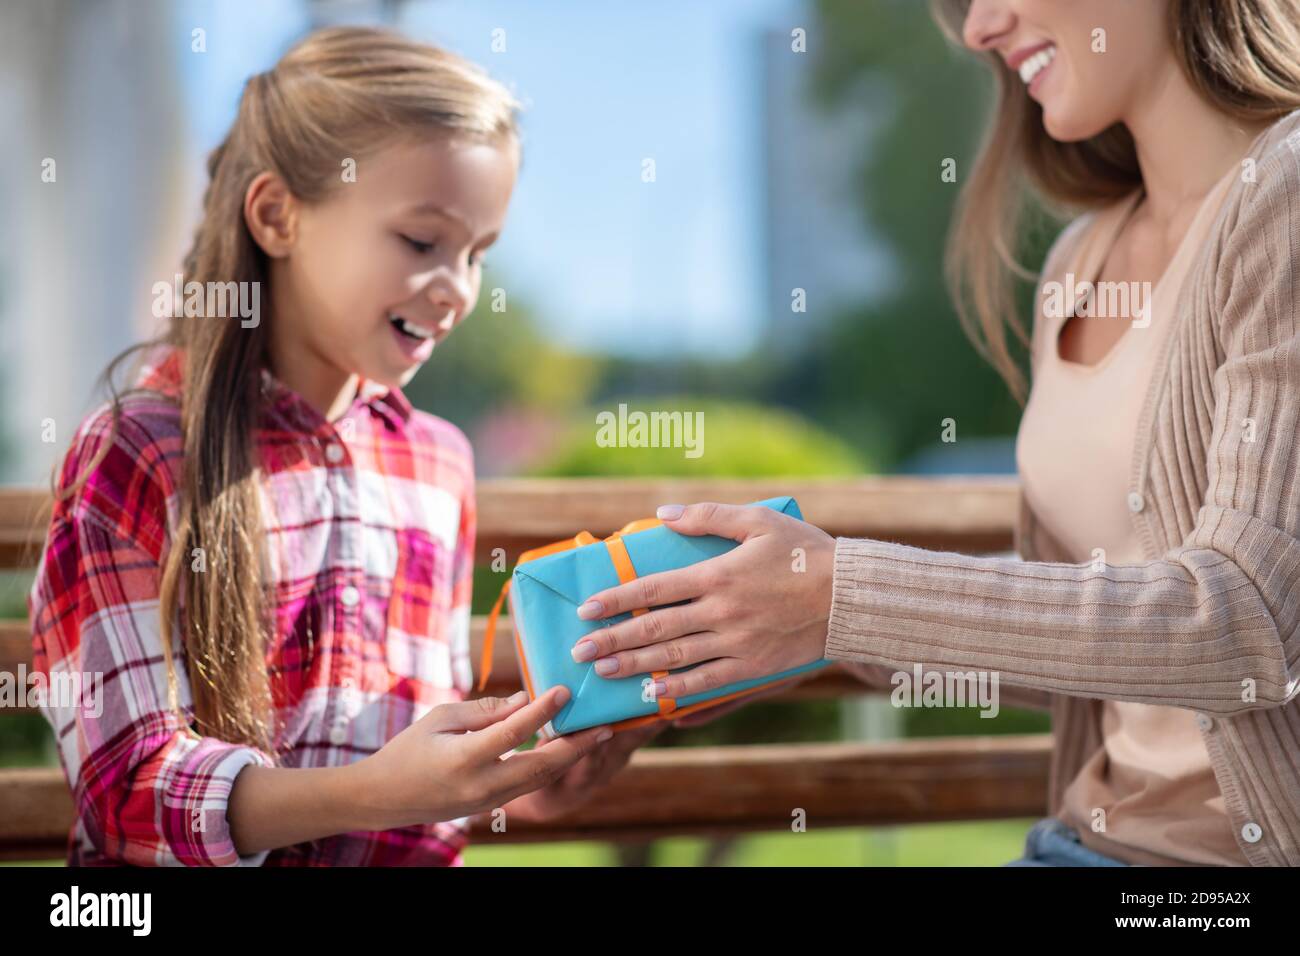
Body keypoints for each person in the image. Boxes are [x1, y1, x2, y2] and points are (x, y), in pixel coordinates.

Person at [572, 0, 1300, 866]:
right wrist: (794, 634)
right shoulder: (1078, 261)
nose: (979, 28)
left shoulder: (1284, 192)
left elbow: (1250, 623)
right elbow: (1090, 636)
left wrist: (837, 597)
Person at [27, 25, 658, 867]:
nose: (459, 289)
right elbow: (129, 796)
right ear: (278, 216)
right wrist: (385, 790)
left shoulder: (438, 463)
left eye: (477, 252)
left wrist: (540, 766)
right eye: (422, 242)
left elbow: (421, 776)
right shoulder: (138, 450)